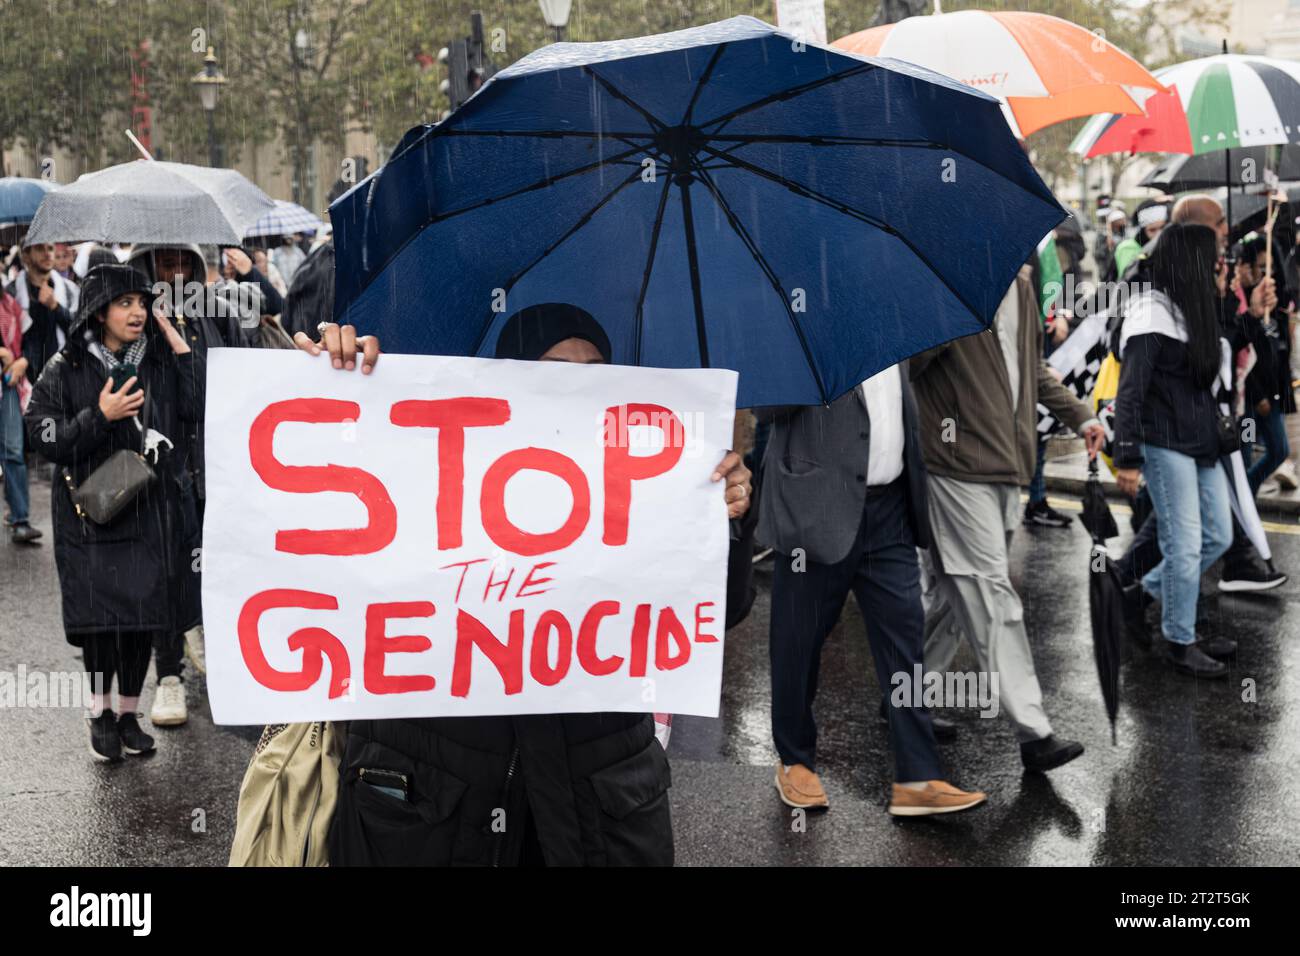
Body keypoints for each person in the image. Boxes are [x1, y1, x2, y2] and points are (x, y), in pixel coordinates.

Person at [293, 305, 751, 865]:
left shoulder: (638, 486)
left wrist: (717, 519)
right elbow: (319, 567)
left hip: (596, 805)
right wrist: (332, 388)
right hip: (430, 803)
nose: (578, 389)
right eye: (554, 371)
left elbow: (723, 612)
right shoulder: (424, 465)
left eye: (597, 372)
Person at [757, 365, 986, 817]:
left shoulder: (889, 322)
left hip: (889, 510)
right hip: (817, 510)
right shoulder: (802, 318)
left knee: (905, 641)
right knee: (797, 642)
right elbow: (765, 408)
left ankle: (918, 777)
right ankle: (795, 760)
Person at [911, 260, 1105, 773]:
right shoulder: (946, 280)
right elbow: (909, 363)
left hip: (1008, 466)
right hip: (954, 465)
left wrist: (1081, 414)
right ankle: (1033, 731)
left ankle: (906, 695)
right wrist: (945, 314)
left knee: (957, 597)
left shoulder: (1018, 285)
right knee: (991, 593)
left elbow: (1032, 370)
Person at [24, 264, 203, 760]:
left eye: (143, 303)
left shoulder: (161, 360)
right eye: (125, 303)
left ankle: (128, 714)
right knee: (103, 622)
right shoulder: (68, 366)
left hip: (148, 508)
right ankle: (99, 714)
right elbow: (38, 432)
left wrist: (177, 340)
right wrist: (97, 419)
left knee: (141, 617)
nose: (138, 312)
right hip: (92, 513)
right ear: (99, 312)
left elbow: (197, 406)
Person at [1112, 224, 1236, 678]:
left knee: (1217, 536)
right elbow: (1130, 390)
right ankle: (1179, 641)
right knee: (1182, 547)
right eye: (1215, 257)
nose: (1221, 264)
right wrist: (1124, 457)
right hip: (1164, 443)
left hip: (1198, 443)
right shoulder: (1150, 311)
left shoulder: (1190, 308)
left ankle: (1140, 593)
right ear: (1193, 262)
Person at [1232, 233, 1294, 496]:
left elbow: (1280, 351)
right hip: (1250, 405)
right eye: (1257, 266)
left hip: (1274, 394)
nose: (1262, 273)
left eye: (1268, 267)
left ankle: (1247, 491)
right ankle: (1243, 506)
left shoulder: (1275, 302)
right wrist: (1258, 397)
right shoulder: (1240, 302)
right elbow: (1243, 355)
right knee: (1244, 453)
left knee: (1279, 450)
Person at [7, 239, 78, 386]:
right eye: (40, 249)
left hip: (63, 377)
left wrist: (55, 306)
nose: (47, 254)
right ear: (25, 255)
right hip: (25, 380)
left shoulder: (69, 290)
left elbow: (79, 329)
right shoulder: (11, 293)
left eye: (50, 249)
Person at [1, 286, 40, 543]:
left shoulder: (10, 304)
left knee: (13, 451)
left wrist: (22, 361)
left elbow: (31, 343)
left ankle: (20, 519)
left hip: (9, 385)